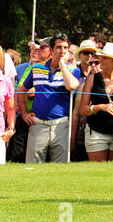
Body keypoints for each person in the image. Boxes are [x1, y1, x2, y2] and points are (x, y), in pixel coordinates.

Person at [19, 34, 81, 164]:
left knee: (60, 169)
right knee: (33, 167)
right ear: (52, 50)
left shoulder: (73, 70)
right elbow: (22, 90)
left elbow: (71, 85)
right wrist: (24, 113)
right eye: (58, 47)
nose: (62, 51)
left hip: (61, 126)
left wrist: (62, 65)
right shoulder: (37, 69)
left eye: (65, 48)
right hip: (38, 125)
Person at [78, 43, 113, 162]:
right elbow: (82, 110)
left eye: (104, 57)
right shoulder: (92, 79)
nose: (100, 60)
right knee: (97, 170)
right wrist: (100, 107)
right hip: (96, 131)